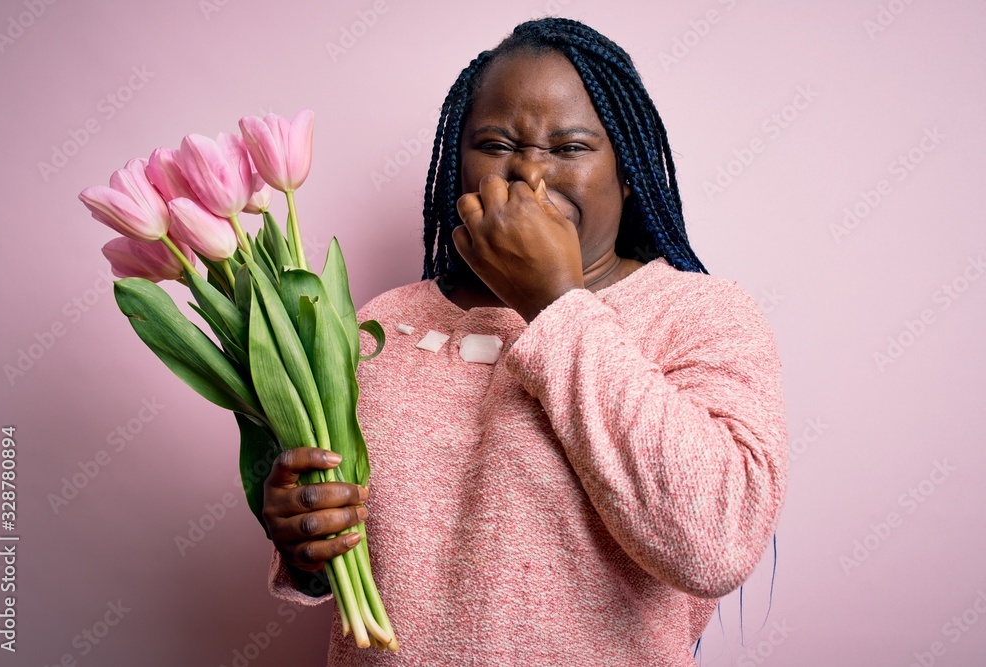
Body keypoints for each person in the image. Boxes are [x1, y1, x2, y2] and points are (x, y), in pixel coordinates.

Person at [260, 17, 788, 667]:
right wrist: (304, 541)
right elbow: (349, 552)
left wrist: (555, 302)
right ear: (458, 161)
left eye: (569, 147)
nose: (530, 175)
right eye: (496, 142)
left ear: (627, 172)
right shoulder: (379, 323)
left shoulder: (702, 314)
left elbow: (716, 540)